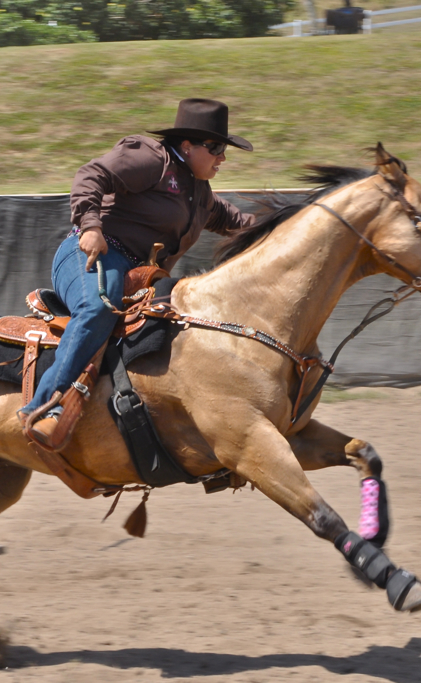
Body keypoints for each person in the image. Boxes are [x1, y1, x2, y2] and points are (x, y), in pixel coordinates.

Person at [19, 98, 257, 449]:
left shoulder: (201, 195)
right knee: (99, 306)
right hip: (93, 253)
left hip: (142, 277)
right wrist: (89, 226)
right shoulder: (152, 158)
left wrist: (294, 227)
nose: (222, 157)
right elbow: (91, 174)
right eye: (216, 147)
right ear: (187, 146)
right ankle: (42, 408)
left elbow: (241, 224)